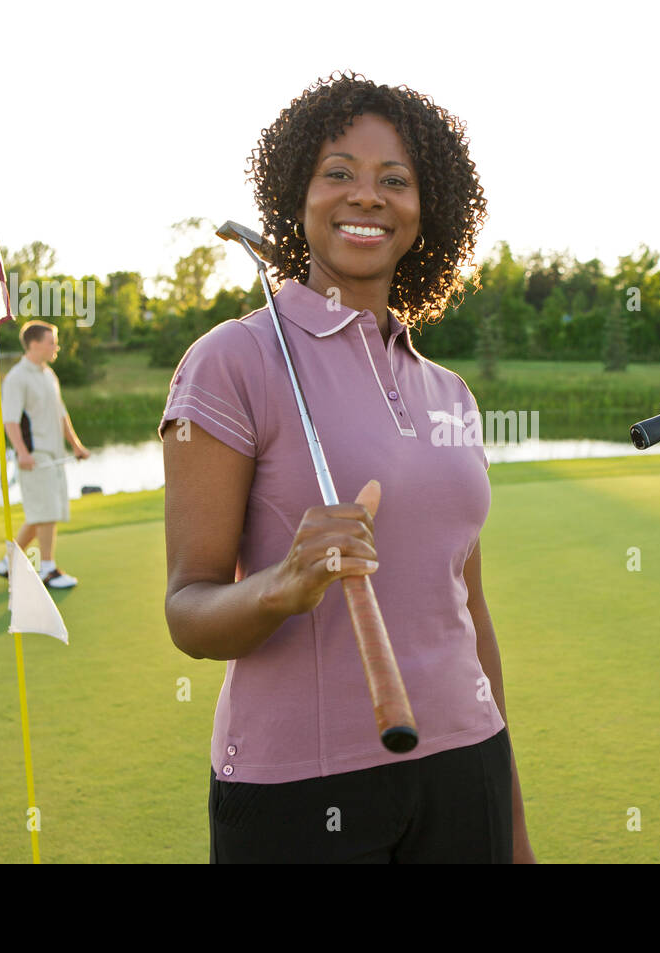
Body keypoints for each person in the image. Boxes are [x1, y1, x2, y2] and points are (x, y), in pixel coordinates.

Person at [160, 72, 534, 863]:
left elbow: (470, 610)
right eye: (339, 172)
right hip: (299, 790)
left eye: (394, 180)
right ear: (297, 195)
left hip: (467, 764)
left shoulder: (450, 392)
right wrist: (283, 585)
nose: (367, 195)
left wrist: (511, 815)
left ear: (426, 211)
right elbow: (188, 612)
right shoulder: (231, 361)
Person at [0, 320, 91, 589]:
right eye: (52, 342)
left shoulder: (49, 375)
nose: (56, 347)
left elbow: (61, 415)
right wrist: (23, 453)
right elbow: (10, 420)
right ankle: (48, 568)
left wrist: (76, 445)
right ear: (35, 344)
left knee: (42, 513)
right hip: (35, 457)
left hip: (54, 454)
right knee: (45, 512)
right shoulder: (17, 378)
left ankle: (8, 562)